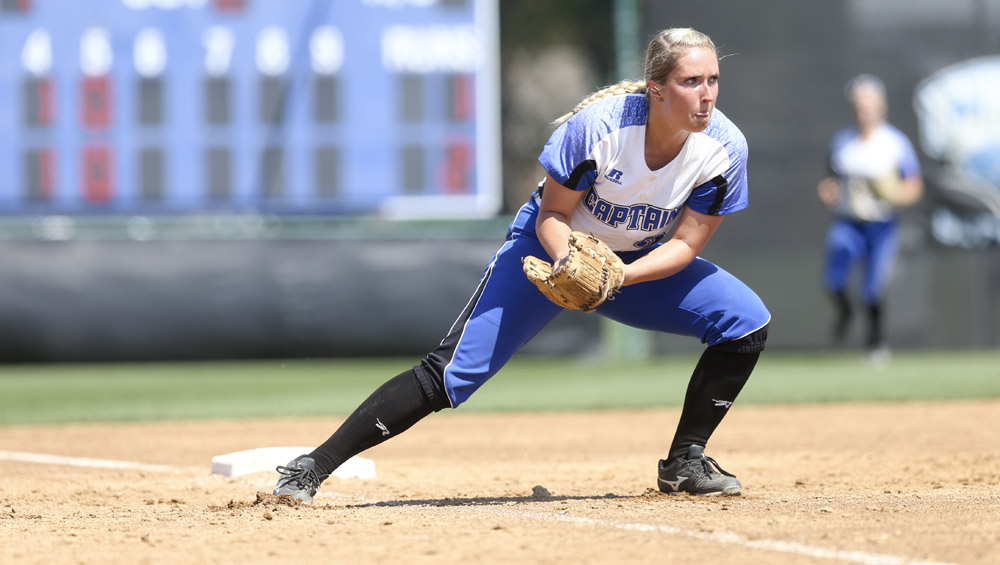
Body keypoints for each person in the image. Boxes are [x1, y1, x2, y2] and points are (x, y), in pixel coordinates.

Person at [273, 27, 770, 503]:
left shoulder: (723, 149)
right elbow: (553, 213)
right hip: (547, 250)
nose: (707, 95)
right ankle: (311, 466)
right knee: (449, 375)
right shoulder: (601, 128)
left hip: (637, 265)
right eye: (691, 82)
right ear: (656, 90)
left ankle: (684, 460)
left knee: (745, 323)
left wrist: (620, 274)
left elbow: (686, 243)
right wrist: (571, 262)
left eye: (713, 81)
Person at [816, 74, 923, 364]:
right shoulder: (842, 141)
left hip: (882, 225)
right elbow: (830, 181)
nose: (864, 110)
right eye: (859, 105)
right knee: (834, 280)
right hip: (848, 222)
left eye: (869, 104)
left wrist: (897, 194)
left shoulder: (895, 143)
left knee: (873, 288)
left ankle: (876, 344)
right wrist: (828, 191)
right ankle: (844, 313)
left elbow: (914, 185)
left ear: (881, 106)